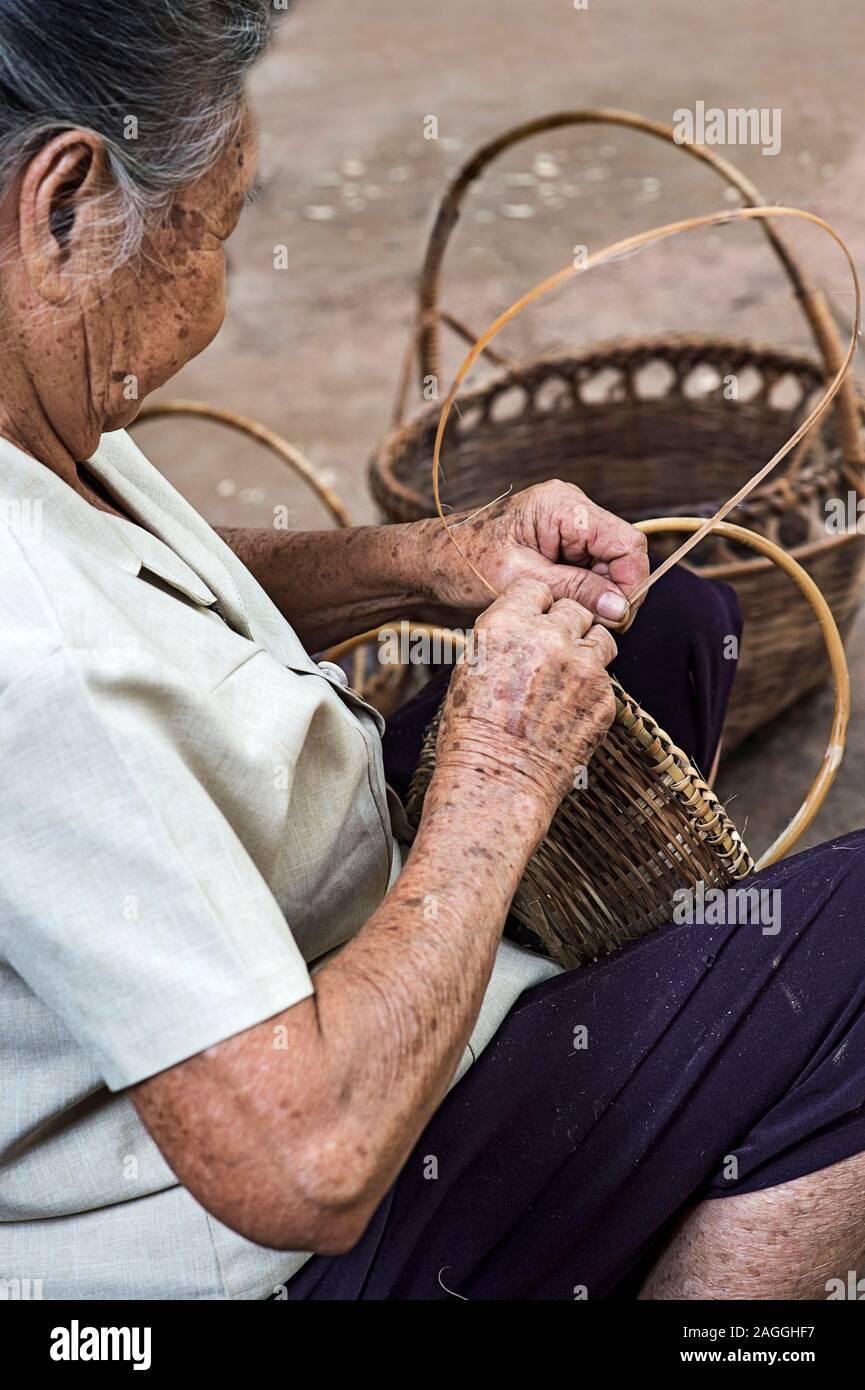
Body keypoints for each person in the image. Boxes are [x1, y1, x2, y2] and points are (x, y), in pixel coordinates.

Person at [1, 2, 864, 1302]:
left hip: (305, 938)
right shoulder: (37, 663)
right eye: (216, 232)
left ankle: (643, 1077)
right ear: (62, 207)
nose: (224, 286)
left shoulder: (37, 400)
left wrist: (422, 560)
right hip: (271, 1240)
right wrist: (499, 766)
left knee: (668, 623)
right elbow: (309, 1168)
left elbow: (143, 579)